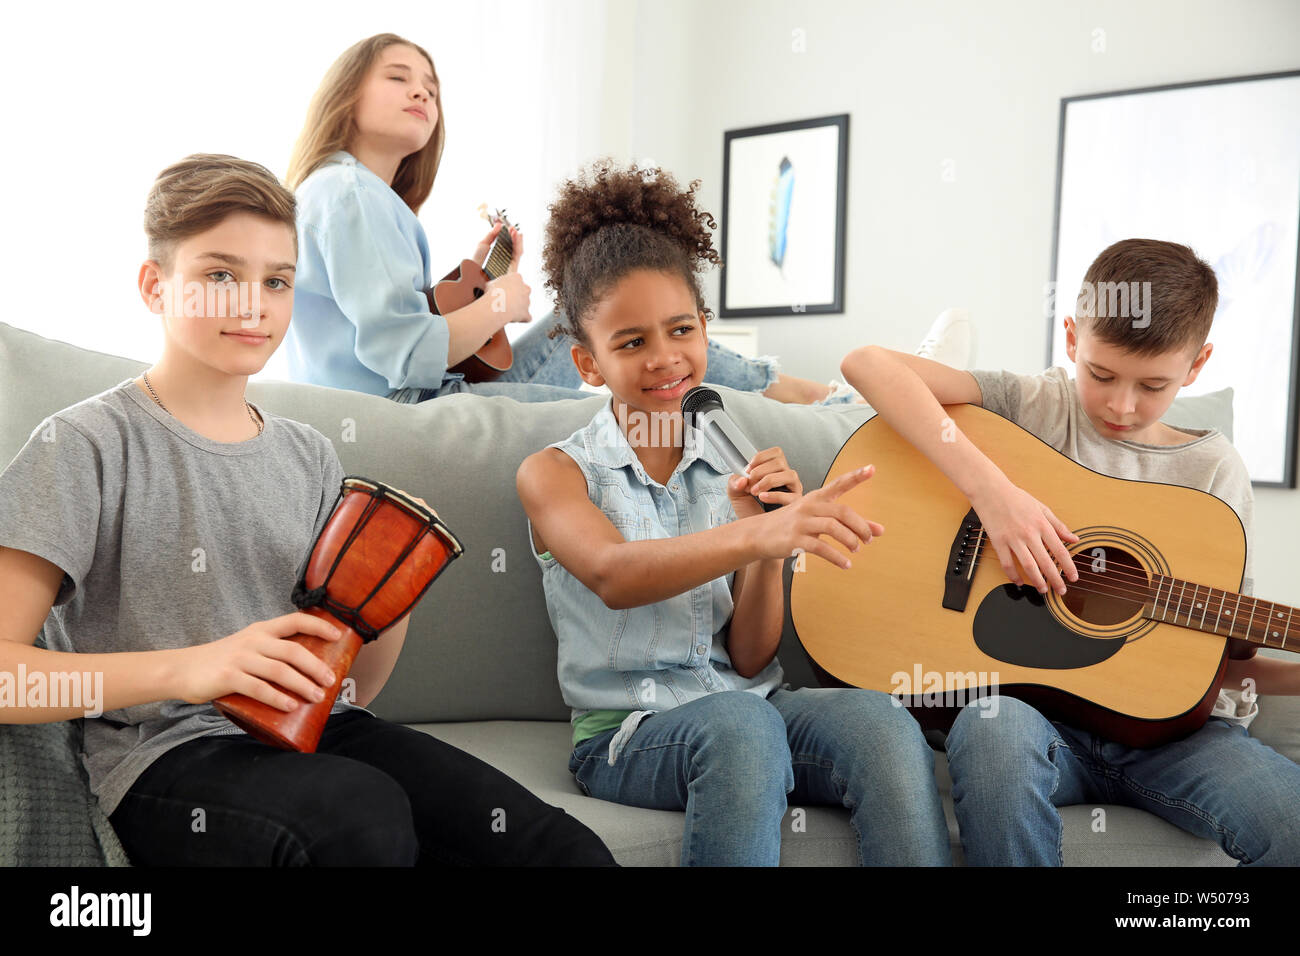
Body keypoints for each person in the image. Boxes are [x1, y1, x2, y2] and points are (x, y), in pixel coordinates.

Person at [0, 153, 615, 866]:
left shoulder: (309, 455)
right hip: (169, 758)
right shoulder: (85, 445)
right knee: (360, 818)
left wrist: (389, 586)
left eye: (278, 281)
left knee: (556, 846)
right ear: (154, 286)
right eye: (220, 274)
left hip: (319, 731)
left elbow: (353, 687)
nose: (252, 303)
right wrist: (196, 669)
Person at [515, 161, 952, 866]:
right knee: (739, 726)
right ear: (588, 363)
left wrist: (769, 548)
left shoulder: (732, 462)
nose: (665, 359)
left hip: (750, 710)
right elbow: (615, 574)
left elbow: (750, 658)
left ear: (705, 332)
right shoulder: (555, 473)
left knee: (881, 721)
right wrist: (759, 531)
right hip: (630, 734)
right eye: (631, 342)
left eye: (680, 330)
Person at [841, 237, 1300, 866]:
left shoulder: (1213, 470)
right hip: (1038, 727)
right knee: (993, 730)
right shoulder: (1038, 404)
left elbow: (1218, 660)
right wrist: (995, 496)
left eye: (1153, 385)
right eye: (1102, 374)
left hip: (1177, 740)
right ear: (1071, 338)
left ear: (1197, 365)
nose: (1120, 404)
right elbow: (868, 364)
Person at [283, 32, 860, 406]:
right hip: (416, 412)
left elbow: (395, 331)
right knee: (607, 344)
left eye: (431, 88)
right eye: (399, 77)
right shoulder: (353, 194)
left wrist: (484, 277)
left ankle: (816, 396)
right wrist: (501, 303)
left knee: (600, 334)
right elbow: (406, 357)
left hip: (403, 401)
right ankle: (822, 400)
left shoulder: (346, 194)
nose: (422, 94)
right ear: (345, 93)